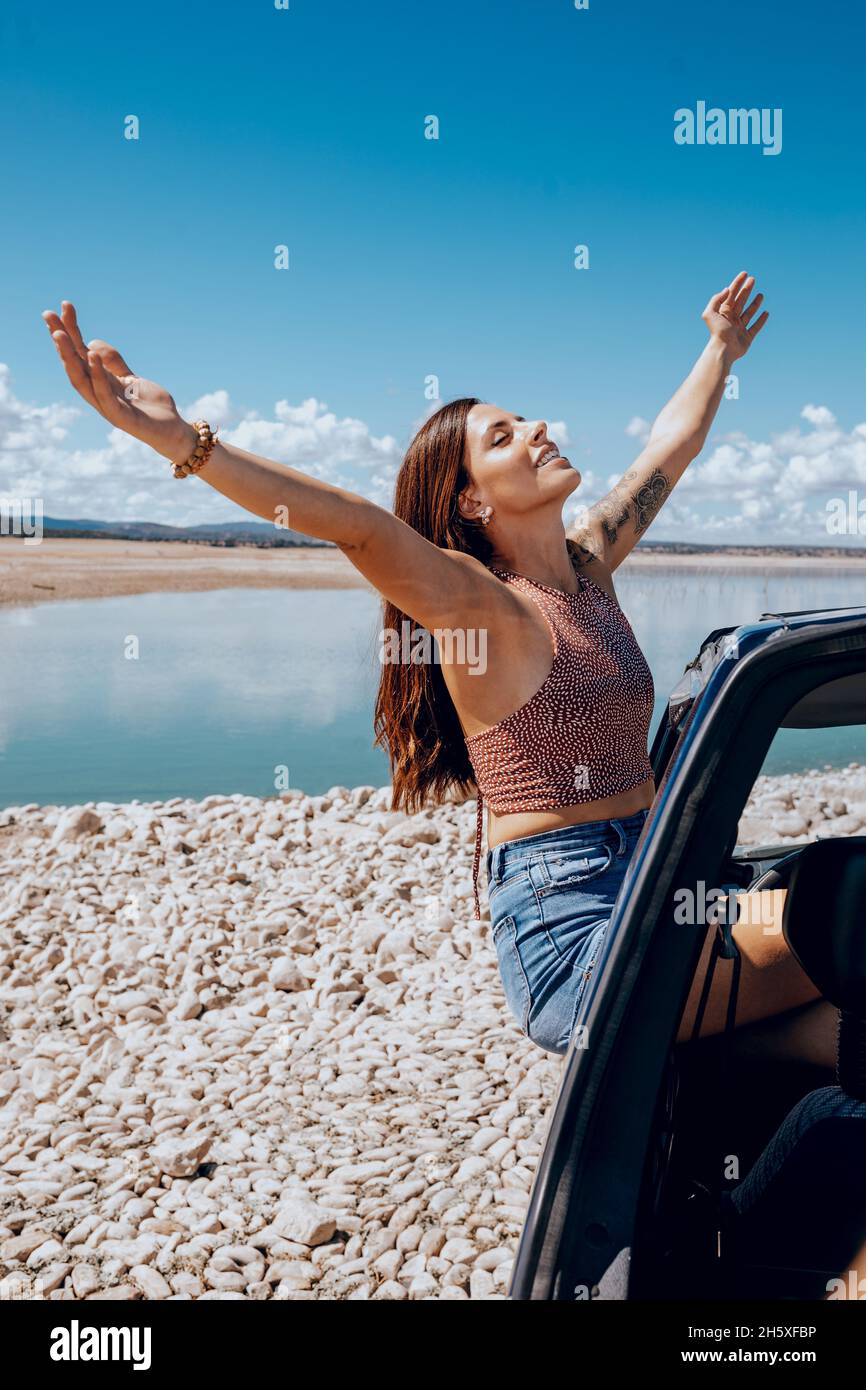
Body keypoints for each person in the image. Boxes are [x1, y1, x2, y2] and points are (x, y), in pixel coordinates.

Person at [45, 274, 816, 1056]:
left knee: (836, 1000)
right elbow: (358, 526)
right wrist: (185, 441)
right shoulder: (481, 604)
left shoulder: (588, 567)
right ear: (471, 501)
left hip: (659, 876)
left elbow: (668, 450)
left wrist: (719, 350)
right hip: (576, 930)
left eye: (524, 421)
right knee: (839, 916)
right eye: (503, 438)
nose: (538, 429)